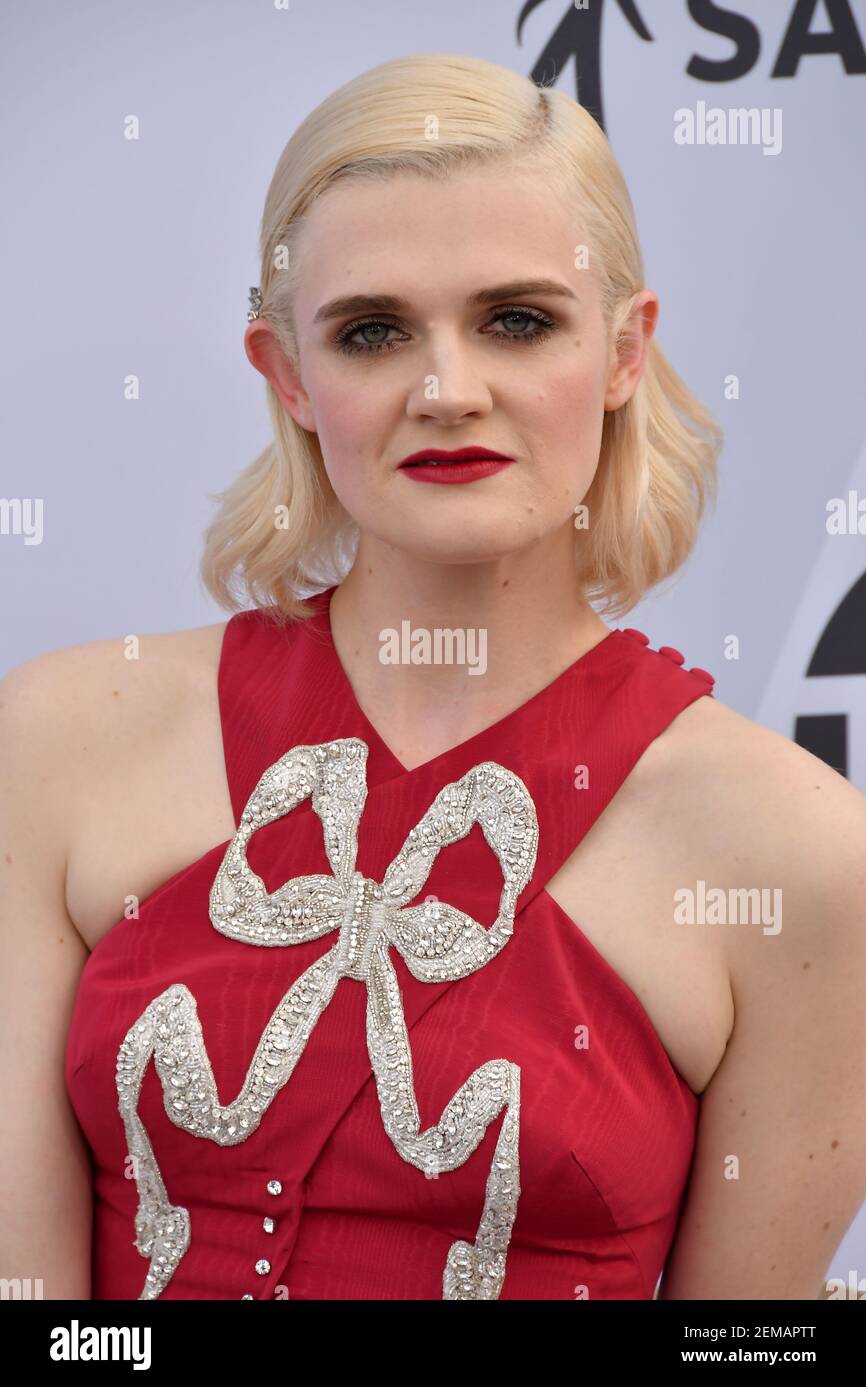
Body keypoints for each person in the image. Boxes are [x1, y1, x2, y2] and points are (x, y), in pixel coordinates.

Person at [2, 52, 864, 1302]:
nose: (446, 391)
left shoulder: (801, 857)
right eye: (372, 331)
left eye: (516, 320)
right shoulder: (58, 741)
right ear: (288, 375)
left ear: (625, 353)